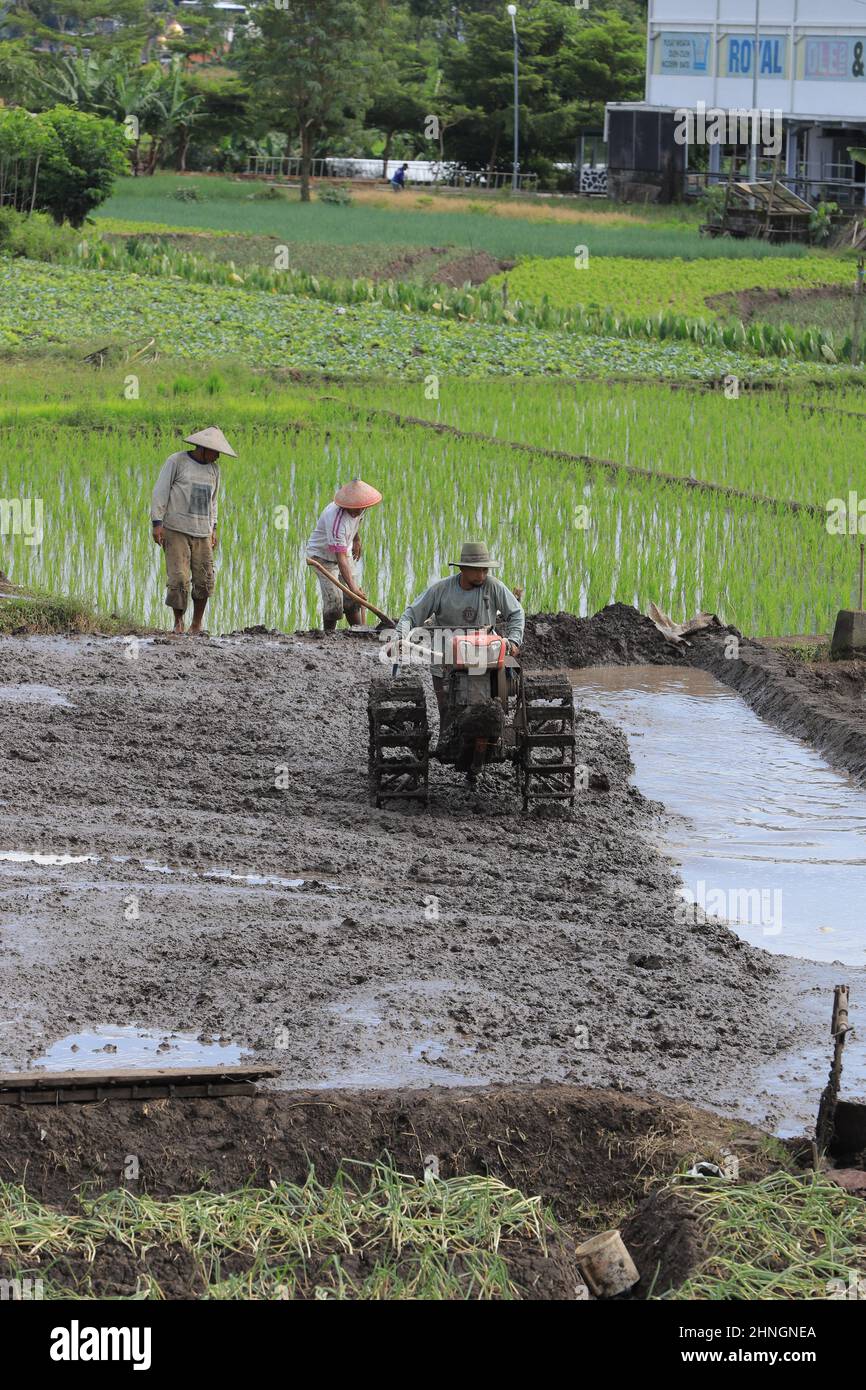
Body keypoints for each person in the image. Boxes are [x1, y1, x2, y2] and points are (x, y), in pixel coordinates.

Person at [394, 540, 524, 714]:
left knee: (490, 713)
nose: (482, 575)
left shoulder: (493, 587)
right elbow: (411, 614)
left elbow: (516, 613)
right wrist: (400, 637)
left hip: (486, 659)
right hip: (446, 660)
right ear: (463, 568)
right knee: (448, 715)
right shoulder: (441, 590)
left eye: (485, 569)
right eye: (477, 570)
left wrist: (514, 640)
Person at [150, 426, 236, 636]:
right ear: (203, 448)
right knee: (179, 578)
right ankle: (178, 622)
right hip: (176, 529)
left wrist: (213, 527)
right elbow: (160, 492)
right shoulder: (177, 462)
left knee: (205, 579)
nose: (217, 456)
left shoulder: (214, 470)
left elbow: (213, 501)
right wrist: (157, 523)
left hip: (203, 531)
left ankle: (196, 624)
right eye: (215, 452)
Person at [306, 478, 382, 631]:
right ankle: (328, 637)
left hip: (343, 551)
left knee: (352, 601)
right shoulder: (336, 521)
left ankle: (359, 631)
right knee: (334, 602)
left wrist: (356, 539)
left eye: (361, 508)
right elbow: (340, 559)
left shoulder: (359, 509)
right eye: (355, 509)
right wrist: (353, 588)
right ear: (347, 505)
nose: (359, 512)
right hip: (322, 557)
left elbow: (356, 522)